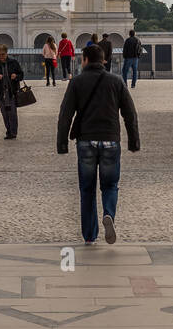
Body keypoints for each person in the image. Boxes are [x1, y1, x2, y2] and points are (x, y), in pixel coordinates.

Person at [57, 42, 140, 246]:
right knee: (110, 185)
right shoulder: (116, 81)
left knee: (87, 189)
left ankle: (89, 235)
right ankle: (109, 214)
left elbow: (65, 115)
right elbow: (130, 114)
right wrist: (133, 141)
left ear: (84, 60)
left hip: (86, 141)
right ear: (104, 60)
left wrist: (62, 144)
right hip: (110, 139)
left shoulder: (76, 82)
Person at [0, 44, 24, 138]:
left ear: (7, 53)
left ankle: (13, 132)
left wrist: (16, 76)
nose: (1, 57)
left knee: (12, 113)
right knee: (5, 114)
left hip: (12, 93)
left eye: (3, 54)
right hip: (0, 94)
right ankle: (8, 131)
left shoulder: (13, 63)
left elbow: (21, 75)